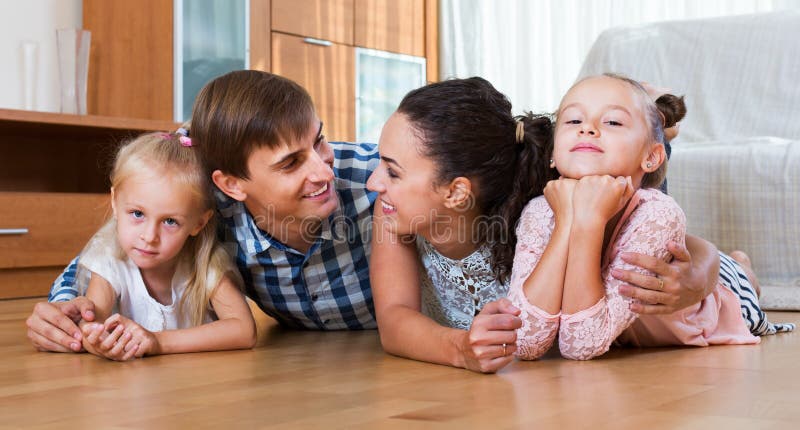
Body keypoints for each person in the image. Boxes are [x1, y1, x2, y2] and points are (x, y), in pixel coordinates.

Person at [367, 77, 724, 373]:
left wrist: (701, 277)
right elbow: (395, 320)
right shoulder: (393, 209)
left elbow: (683, 242)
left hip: (643, 279)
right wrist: (460, 348)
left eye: (392, 171)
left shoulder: (541, 200)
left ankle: (742, 267)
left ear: (458, 193)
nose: (373, 183)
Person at [509, 73, 794, 361]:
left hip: (707, 307)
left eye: (612, 122)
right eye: (573, 121)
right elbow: (525, 342)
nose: (588, 129)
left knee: (743, 288)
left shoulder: (658, 214)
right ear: (552, 155)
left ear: (652, 157)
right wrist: (567, 220)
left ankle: (744, 269)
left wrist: (587, 221)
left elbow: (580, 345)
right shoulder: (538, 211)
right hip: (620, 326)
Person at [73, 131, 256, 360]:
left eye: (170, 221)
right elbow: (92, 323)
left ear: (199, 223)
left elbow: (244, 331)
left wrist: (158, 341)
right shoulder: (109, 259)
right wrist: (97, 341)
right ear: (114, 202)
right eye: (137, 214)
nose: (149, 236)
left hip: (202, 383)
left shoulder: (206, 263)